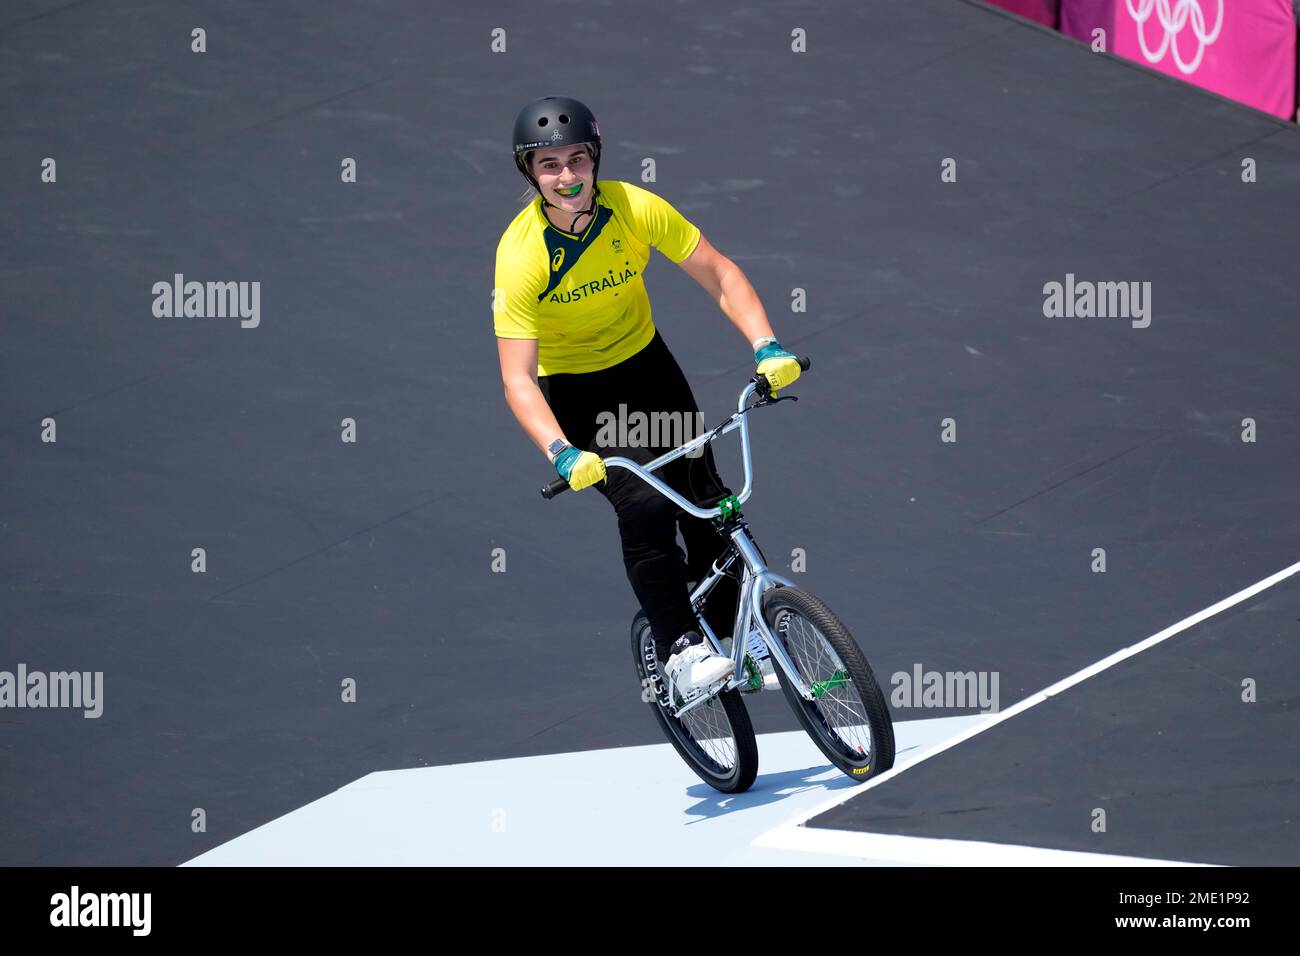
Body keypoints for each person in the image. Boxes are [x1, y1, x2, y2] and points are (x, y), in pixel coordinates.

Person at [493, 95, 803, 703]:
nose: (567, 176)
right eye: (549, 164)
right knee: (644, 507)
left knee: (708, 500)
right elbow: (518, 379)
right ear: (529, 173)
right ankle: (680, 650)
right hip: (579, 391)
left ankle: (745, 624)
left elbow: (719, 274)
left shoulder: (635, 208)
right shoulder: (521, 256)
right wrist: (560, 451)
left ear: (595, 158)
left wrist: (766, 345)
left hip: (647, 369)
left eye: (577, 159)